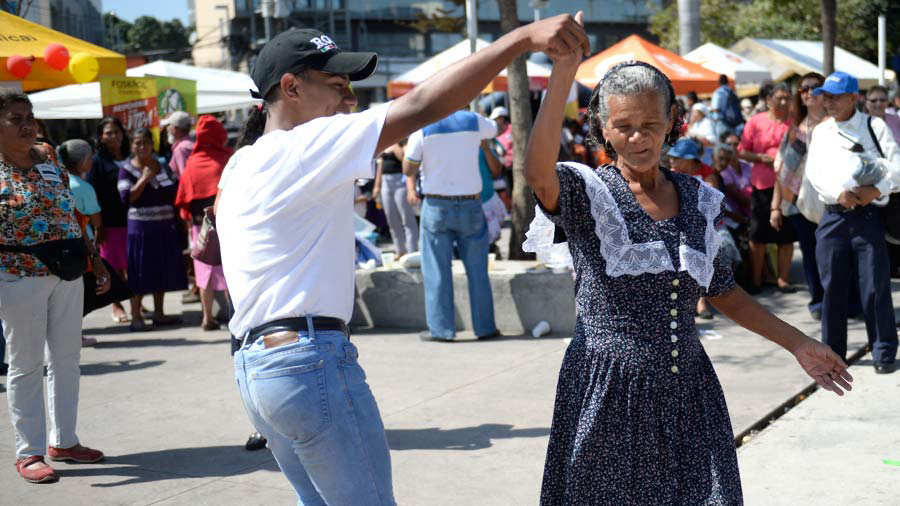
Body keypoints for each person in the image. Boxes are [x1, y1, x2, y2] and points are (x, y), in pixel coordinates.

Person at [215, 16, 590, 503]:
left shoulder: (242, 163)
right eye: (336, 85)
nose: (350, 100)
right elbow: (423, 105)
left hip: (258, 368)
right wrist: (519, 40)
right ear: (291, 87)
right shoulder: (303, 146)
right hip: (306, 362)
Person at [523, 57, 852, 504]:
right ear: (602, 128)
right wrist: (563, 73)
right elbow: (537, 173)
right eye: (623, 126)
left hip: (689, 393)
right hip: (609, 394)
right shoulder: (587, 194)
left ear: (671, 122)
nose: (638, 138)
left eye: (649, 124)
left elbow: (724, 292)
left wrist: (798, 344)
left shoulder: (698, 198)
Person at [0, 91, 107, 484]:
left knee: (66, 359)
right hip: (18, 275)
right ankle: (29, 452)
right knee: (26, 364)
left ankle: (64, 441)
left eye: (29, 116)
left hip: (68, 272)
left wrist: (94, 258)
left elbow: (69, 212)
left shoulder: (48, 157)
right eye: (15, 119)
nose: (27, 124)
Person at [805, 71, 900, 374]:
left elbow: (896, 168)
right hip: (833, 215)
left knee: (874, 286)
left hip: (867, 215)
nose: (828, 102)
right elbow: (814, 173)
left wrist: (877, 189)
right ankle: (833, 355)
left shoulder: (875, 126)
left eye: (835, 97)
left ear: (853, 98)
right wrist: (839, 194)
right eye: (826, 97)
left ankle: (883, 352)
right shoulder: (821, 131)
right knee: (832, 288)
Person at [403, 109, 501, 342]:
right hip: (471, 203)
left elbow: (408, 169)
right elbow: (495, 129)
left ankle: (441, 330)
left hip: (437, 204)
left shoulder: (424, 125)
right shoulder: (473, 120)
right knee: (478, 271)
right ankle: (485, 327)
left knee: (436, 271)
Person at [772, 72, 828, 320]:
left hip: (830, 202)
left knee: (834, 255)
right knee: (811, 255)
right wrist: (776, 207)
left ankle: (842, 301)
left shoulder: (834, 126)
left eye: (814, 87)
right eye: (803, 89)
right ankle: (818, 302)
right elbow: (781, 171)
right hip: (797, 203)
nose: (808, 93)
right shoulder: (795, 130)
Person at [118, 128, 186, 331]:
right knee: (139, 272)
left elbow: (173, 190)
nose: (142, 147)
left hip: (164, 226)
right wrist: (144, 178)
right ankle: (135, 316)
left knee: (160, 269)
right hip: (140, 229)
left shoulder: (162, 166)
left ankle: (159, 313)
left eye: (146, 142)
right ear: (132, 146)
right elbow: (128, 198)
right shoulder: (126, 169)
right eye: (137, 143)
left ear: (152, 144)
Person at [738, 82, 796, 294]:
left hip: (789, 184)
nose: (784, 102)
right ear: (769, 100)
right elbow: (742, 151)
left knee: (786, 235)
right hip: (762, 183)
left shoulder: (794, 122)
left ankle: (783, 279)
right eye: (779, 97)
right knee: (758, 234)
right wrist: (760, 158)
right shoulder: (756, 121)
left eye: (787, 97)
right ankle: (756, 280)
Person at [175, 115, 232, 330]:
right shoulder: (227, 159)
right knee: (229, 270)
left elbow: (183, 199)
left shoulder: (192, 164)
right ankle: (234, 316)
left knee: (203, 271)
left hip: (200, 226)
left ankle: (207, 317)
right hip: (226, 223)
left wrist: (189, 222)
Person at [87, 117, 132, 324]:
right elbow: (92, 195)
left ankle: (135, 301)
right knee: (114, 267)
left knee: (132, 264)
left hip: (133, 220)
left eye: (117, 132)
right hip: (110, 223)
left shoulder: (131, 157)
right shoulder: (97, 162)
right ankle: (117, 305)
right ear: (101, 137)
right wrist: (98, 226)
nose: (114, 136)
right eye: (108, 133)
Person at [372, 140, 419, 257]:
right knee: (392, 220)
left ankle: (412, 251)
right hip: (386, 183)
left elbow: (405, 160)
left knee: (407, 218)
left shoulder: (402, 143)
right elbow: (380, 167)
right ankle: (400, 251)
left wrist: (395, 145)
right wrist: (377, 186)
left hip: (400, 182)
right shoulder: (385, 145)